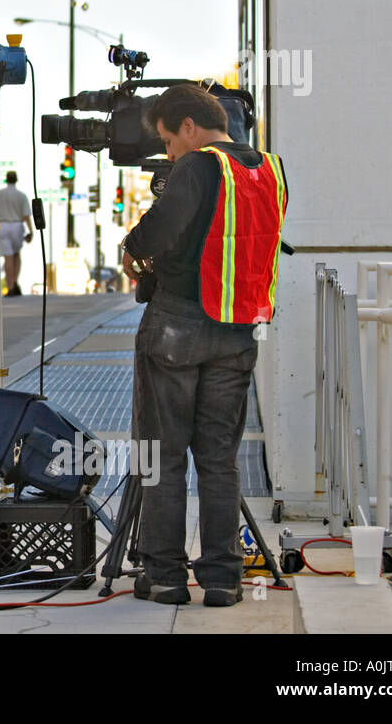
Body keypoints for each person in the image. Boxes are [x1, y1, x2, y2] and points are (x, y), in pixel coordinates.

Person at [120, 85, 287, 608]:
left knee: (162, 455)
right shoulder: (270, 169)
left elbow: (159, 232)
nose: (169, 152)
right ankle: (223, 578)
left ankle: (166, 576)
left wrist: (131, 249)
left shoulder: (197, 166)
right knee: (218, 458)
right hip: (237, 331)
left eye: (168, 140)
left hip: (178, 325)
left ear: (189, 127)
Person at [0, 171, 32, 295]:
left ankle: (10, 287)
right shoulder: (21, 196)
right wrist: (31, 231)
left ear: (6, 180)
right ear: (16, 180)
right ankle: (14, 281)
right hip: (17, 226)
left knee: (8, 257)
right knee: (16, 255)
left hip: (2, 226)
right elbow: (26, 216)